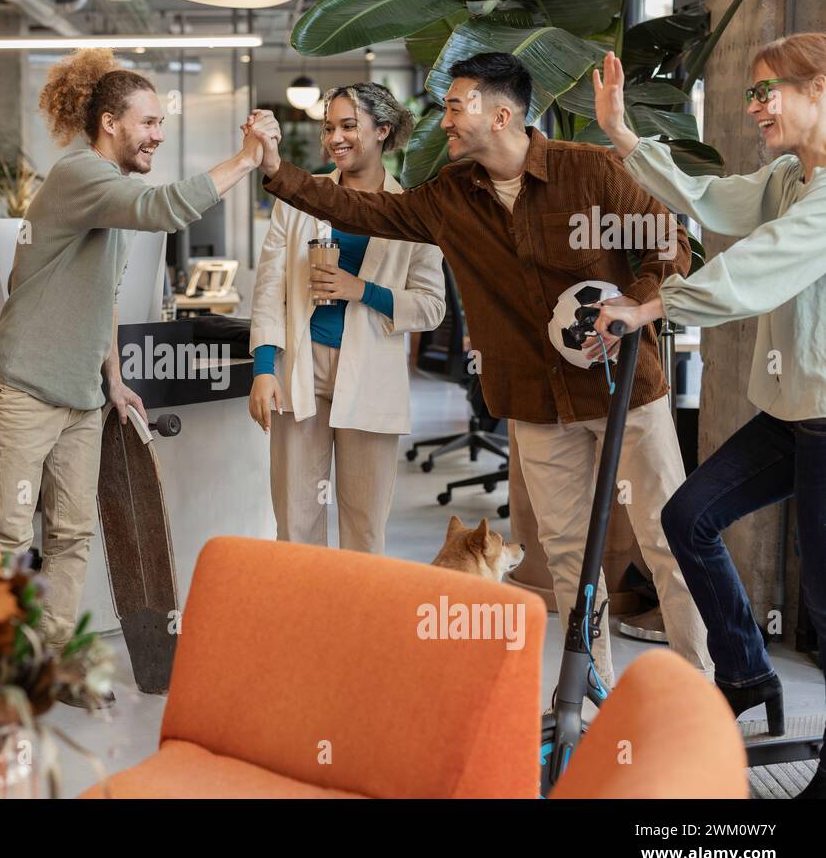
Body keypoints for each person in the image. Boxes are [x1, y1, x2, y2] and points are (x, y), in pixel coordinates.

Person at [247, 52, 713, 689]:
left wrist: (638, 302)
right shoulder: (448, 198)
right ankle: (591, 691)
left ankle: (697, 686)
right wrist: (276, 171)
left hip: (624, 389)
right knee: (569, 554)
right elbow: (361, 211)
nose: (443, 122)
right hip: (535, 403)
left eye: (454, 105)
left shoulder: (593, 172)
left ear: (501, 114)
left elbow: (669, 244)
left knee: (666, 538)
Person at [0, 49, 279, 698]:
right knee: (9, 535)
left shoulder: (104, 192)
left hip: (83, 396)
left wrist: (112, 377)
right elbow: (166, 209)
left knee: (72, 534)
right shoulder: (80, 175)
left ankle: (49, 666)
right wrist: (247, 160)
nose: (159, 134)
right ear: (111, 122)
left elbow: (106, 296)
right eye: (148, 122)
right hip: (26, 390)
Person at [592, 36, 826, 798]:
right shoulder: (794, 176)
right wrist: (625, 135)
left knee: (824, 600)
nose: (754, 108)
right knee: (688, 515)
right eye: (751, 94)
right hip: (794, 413)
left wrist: (656, 304)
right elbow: (719, 199)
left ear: (819, 88)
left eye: (768, 93)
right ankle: (749, 676)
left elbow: (755, 271)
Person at [249, 82, 445, 553]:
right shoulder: (302, 197)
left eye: (348, 126)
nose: (335, 137)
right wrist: (263, 369)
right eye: (329, 127)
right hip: (302, 366)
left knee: (364, 523)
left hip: (370, 372)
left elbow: (432, 306)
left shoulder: (413, 211)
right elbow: (270, 286)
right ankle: (304, 622)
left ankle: (359, 622)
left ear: (382, 130)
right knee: (295, 518)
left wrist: (364, 291)